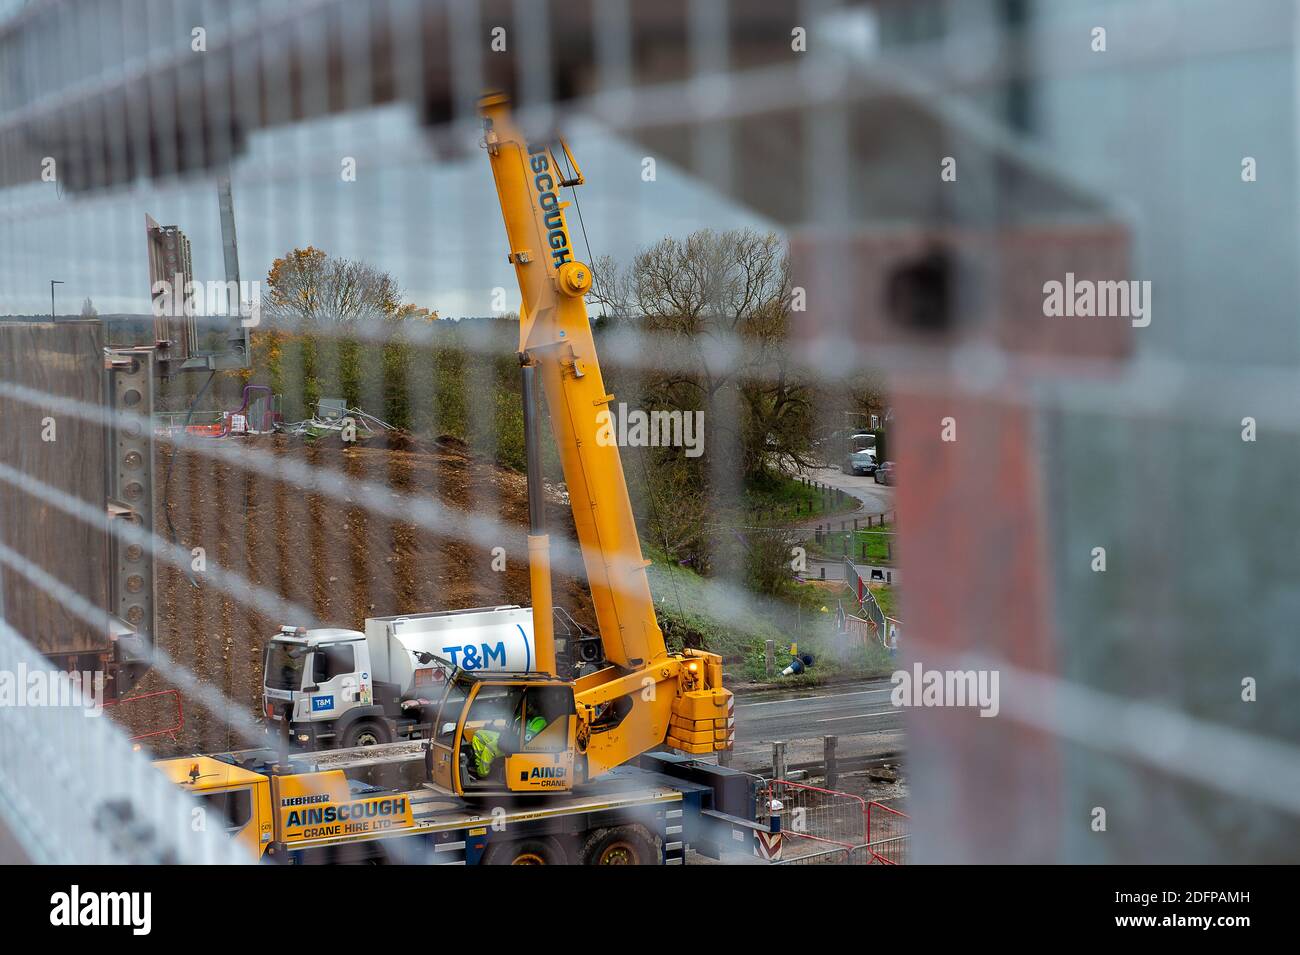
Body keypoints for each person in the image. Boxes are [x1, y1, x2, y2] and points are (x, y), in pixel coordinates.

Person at [468, 712, 548, 780]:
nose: (529, 706)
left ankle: (482, 773)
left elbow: (527, 737)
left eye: (531, 705)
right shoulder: (522, 716)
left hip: (518, 744)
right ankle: (479, 767)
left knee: (490, 748)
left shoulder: (539, 721)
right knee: (479, 735)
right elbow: (511, 730)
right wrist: (499, 730)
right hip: (511, 738)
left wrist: (513, 732)